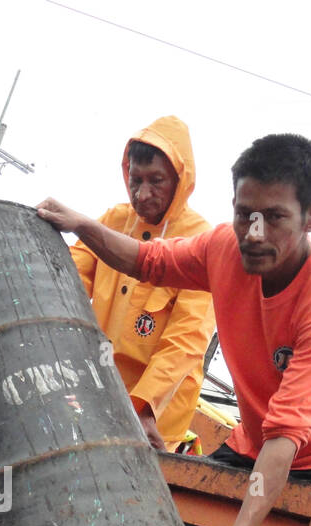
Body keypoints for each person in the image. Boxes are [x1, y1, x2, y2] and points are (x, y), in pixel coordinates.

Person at [38, 133, 311, 526]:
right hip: (256, 441)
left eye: (275, 217)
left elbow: (286, 435)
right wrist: (82, 224)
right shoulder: (224, 247)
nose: (255, 233)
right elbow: (149, 262)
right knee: (187, 523)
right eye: (245, 214)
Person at [69, 116, 215, 451]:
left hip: (154, 422)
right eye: (135, 180)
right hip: (93, 396)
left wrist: (144, 407)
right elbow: (70, 275)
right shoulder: (112, 222)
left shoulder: (200, 242)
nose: (142, 193)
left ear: (180, 181)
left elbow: (187, 341)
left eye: (156, 181)